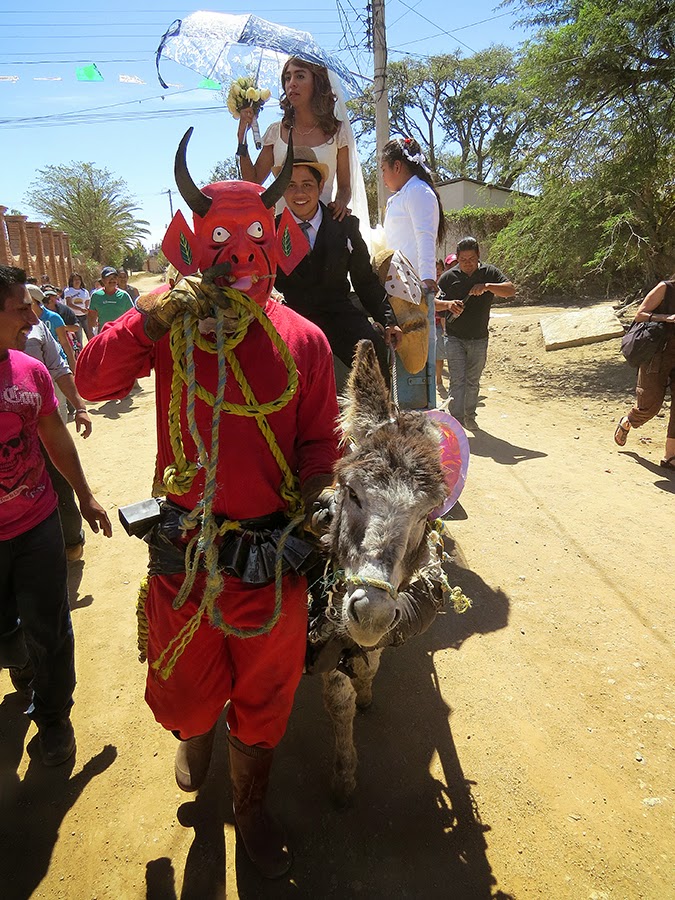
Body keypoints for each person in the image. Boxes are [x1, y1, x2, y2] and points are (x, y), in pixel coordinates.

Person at [75, 132, 340, 878]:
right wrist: (153, 314)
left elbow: (321, 441)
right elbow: (91, 383)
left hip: (273, 558)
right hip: (185, 555)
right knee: (187, 695)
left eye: (254, 238)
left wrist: (316, 493)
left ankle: (250, 804)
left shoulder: (305, 341)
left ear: (276, 240)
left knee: (266, 697)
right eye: (219, 241)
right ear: (192, 246)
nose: (239, 257)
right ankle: (195, 735)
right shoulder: (172, 328)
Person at [0, 265, 112, 766]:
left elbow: (54, 437)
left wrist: (84, 495)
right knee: (10, 636)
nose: (32, 318)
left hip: (37, 523)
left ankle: (54, 718)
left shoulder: (31, 371)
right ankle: (20, 662)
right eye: (20, 309)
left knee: (50, 627)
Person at [272, 147, 401, 385]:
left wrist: (388, 320)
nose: (299, 193)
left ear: (320, 186)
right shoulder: (271, 230)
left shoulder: (344, 225)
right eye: (291, 185)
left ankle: (378, 408)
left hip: (338, 313)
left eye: (307, 185)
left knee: (373, 352)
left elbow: (364, 280)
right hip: (293, 316)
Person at [237, 57, 351, 220]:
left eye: (300, 76)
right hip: (282, 229)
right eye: (287, 78)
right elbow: (252, 182)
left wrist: (340, 202)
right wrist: (242, 137)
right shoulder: (275, 132)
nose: (292, 83)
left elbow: (345, 187)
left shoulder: (337, 132)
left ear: (316, 82)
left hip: (324, 229)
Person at [24, 313, 93, 562]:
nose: (30, 316)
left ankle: (71, 541)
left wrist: (80, 407)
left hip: (45, 423)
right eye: (22, 307)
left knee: (59, 483)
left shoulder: (38, 329)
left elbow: (60, 369)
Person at [437, 237, 515, 430]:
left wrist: (487, 286)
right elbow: (431, 303)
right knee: (457, 380)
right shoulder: (448, 277)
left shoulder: (489, 272)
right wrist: (448, 305)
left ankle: (469, 416)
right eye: (463, 259)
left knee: (473, 381)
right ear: (457, 258)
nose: (467, 263)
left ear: (478, 256)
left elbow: (511, 290)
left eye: (471, 259)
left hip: (479, 338)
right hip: (454, 338)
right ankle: (456, 421)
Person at [613, 276, 675, 468]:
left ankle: (670, 456)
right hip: (656, 355)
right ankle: (628, 421)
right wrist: (665, 318)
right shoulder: (666, 288)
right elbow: (640, 314)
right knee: (650, 406)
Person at [27, 284, 77, 372]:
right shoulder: (22, 320)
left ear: (34, 300)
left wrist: (72, 364)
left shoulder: (53, 318)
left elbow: (64, 342)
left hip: (56, 364)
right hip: (34, 366)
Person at [435, 254, 457, 396]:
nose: (437, 272)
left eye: (439, 269)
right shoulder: (434, 284)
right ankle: (438, 381)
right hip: (438, 324)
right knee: (439, 355)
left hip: (449, 324)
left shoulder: (450, 283)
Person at [88, 266, 134, 332]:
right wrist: (91, 333)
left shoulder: (124, 295)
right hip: (104, 333)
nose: (112, 280)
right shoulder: (96, 296)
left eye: (114, 277)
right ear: (103, 280)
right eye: (109, 278)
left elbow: (132, 315)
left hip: (121, 333)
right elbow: (91, 318)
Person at [63, 272, 92, 344]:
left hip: (84, 316)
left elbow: (87, 303)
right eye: (75, 279)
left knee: (90, 335)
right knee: (79, 338)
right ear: (72, 281)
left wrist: (87, 309)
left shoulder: (84, 291)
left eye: (78, 279)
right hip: (74, 317)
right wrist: (80, 309)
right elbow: (69, 304)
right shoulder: (68, 291)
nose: (77, 281)